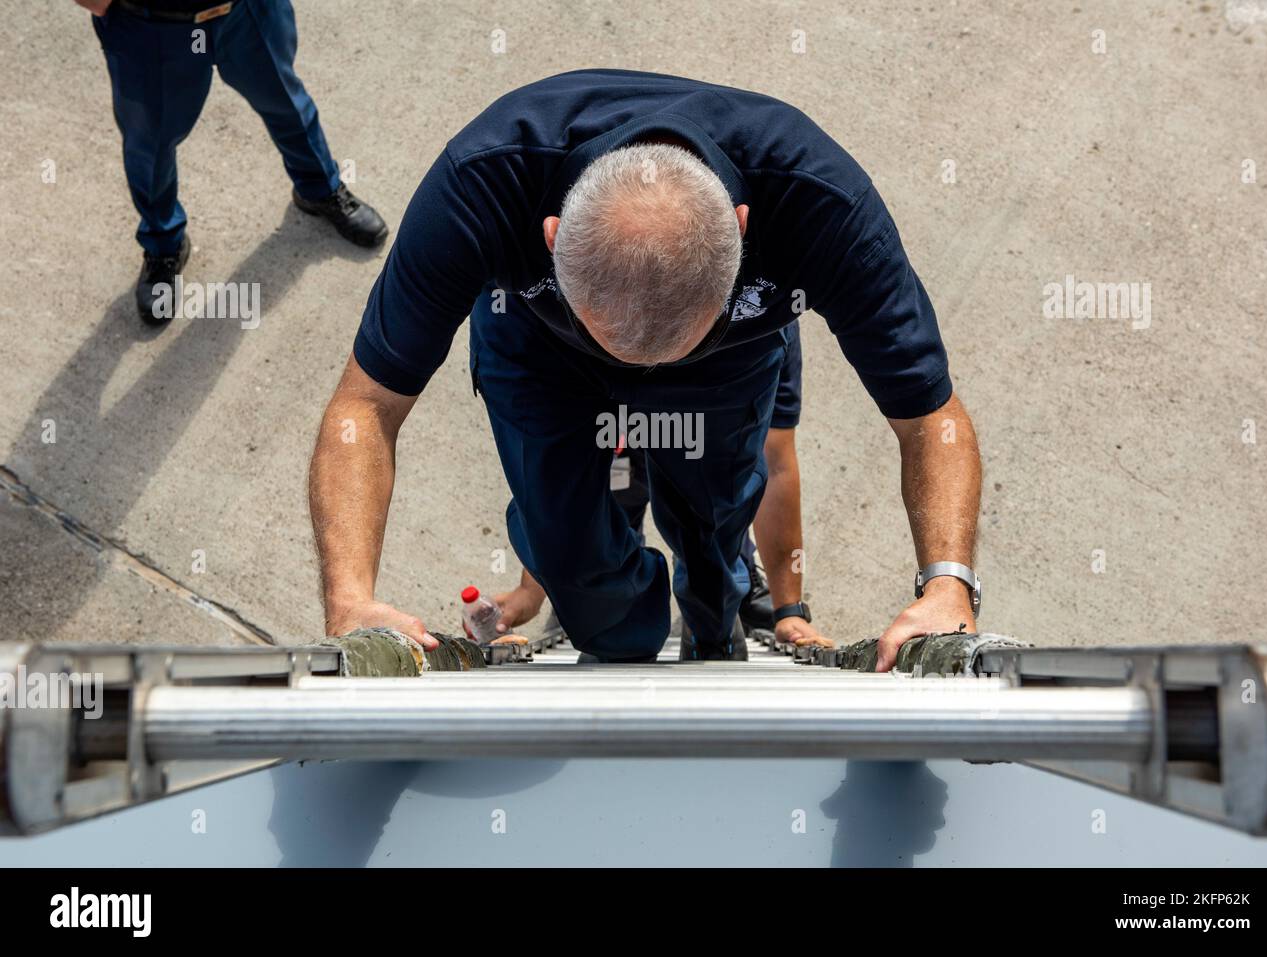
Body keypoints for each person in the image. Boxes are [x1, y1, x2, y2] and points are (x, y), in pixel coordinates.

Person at [309, 70, 982, 670]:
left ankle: (713, 615)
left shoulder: (823, 205)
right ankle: (621, 622)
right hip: (542, 345)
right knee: (573, 557)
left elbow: (932, 421)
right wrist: (350, 600)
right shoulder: (482, 184)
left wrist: (948, 584)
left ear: (742, 230)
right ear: (551, 235)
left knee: (716, 523)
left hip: (726, 363)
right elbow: (364, 408)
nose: (642, 380)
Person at [487, 325, 833, 651]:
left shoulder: (767, 313)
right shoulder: (588, 299)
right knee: (600, 593)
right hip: (616, 454)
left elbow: (776, 463)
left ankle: (720, 597)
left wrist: (789, 609)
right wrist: (539, 584)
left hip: (699, 442)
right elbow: (558, 475)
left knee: (715, 560)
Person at [77, 0, 387, 322]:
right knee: (151, 146)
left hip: (246, 12)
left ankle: (320, 187)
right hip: (151, 26)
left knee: (286, 102)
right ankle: (163, 243)